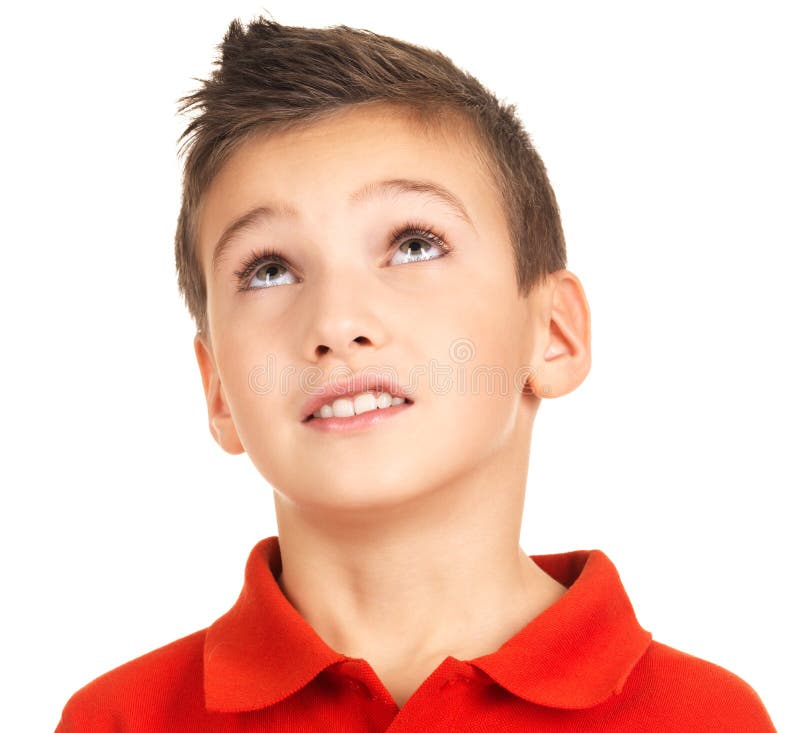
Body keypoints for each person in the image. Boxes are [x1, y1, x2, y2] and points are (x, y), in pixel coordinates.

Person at [54, 14, 777, 732]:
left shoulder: (706, 717)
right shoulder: (118, 719)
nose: (336, 322)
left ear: (553, 333)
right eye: (269, 269)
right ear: (217, 389)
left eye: (413, 245)